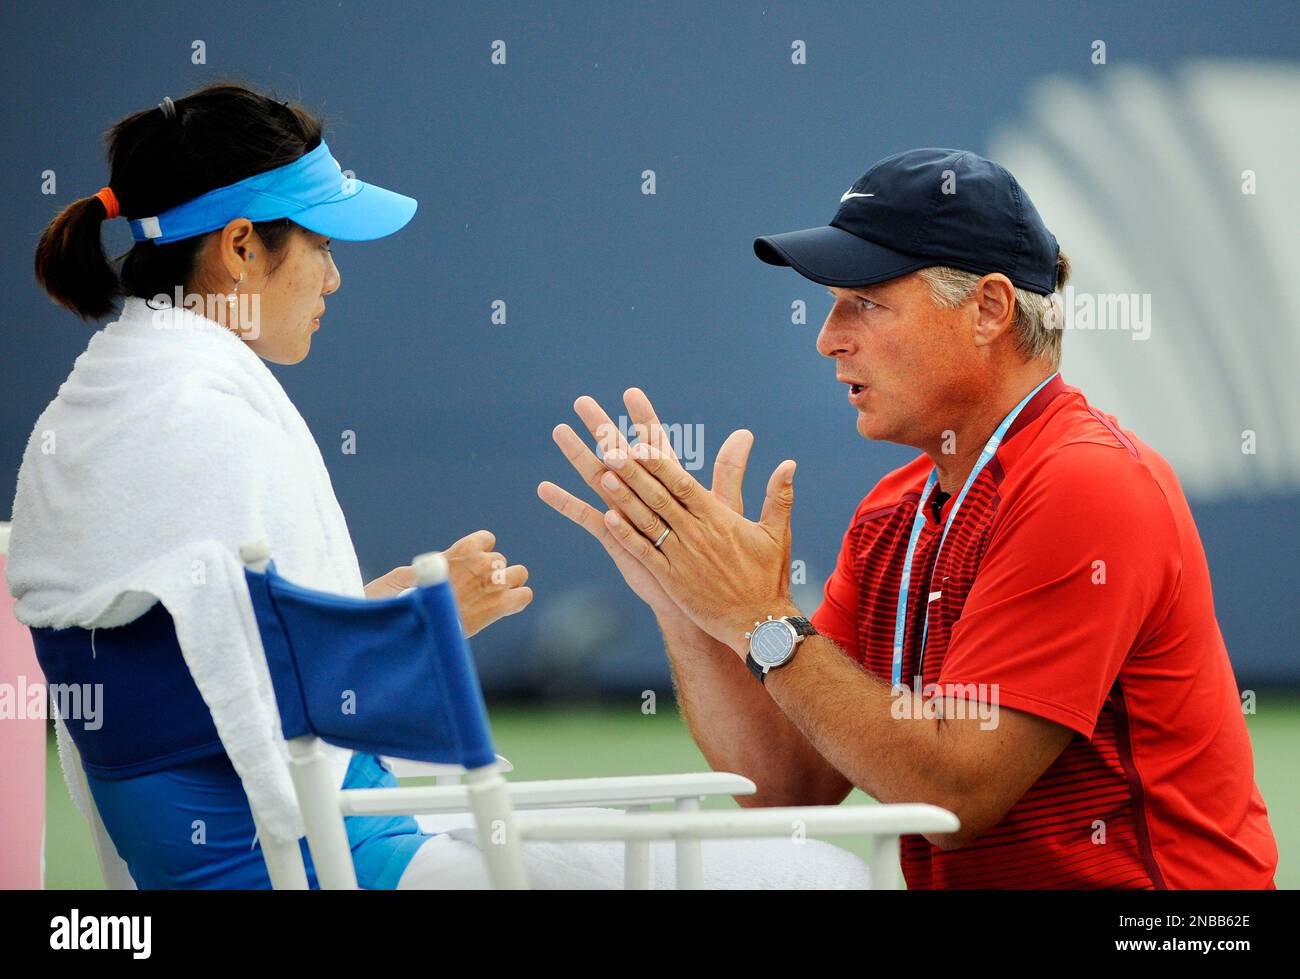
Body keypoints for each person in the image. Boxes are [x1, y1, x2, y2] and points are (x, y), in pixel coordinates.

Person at [12, 82, 871, 889]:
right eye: (318, 244)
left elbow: (207, 659)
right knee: (823, 875)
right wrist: (418, 622)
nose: (334, 277)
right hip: (357, 856)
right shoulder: (203, 415)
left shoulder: (105, 407)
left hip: (320, 840)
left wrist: (395, 613)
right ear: (241, 247)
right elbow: (264, 696)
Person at [539, 148, 1279, 889]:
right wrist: (691, 602)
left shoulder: (1087, 482)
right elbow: (789, 788)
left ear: (988, 308)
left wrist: (761, 618)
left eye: (863, 301)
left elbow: (953, 794)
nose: (827, 336)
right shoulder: (895, 509)